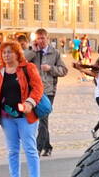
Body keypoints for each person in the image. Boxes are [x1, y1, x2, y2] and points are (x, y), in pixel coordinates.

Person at [0, 38, 44, 177]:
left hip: (26, 117)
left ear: (17, 54)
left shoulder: (28, 68)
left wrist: (30, 103)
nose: (6, 55)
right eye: (3, 52)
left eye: (9, 52)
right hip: (7, 117)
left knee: (30, 148)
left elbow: (38, 88)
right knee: (12, 150)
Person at [25, 28, 68, 157]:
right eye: (38, 38)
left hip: (48, 91)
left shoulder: (54, 53)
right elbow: (22, 61)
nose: (41, 41)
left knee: (43, 118)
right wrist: (32, 49)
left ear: (47, 38)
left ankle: (38, 148)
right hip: (34, 91)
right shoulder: (33, 53)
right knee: (40, 119)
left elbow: (64, 70)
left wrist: (51, 68)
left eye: (43, 38)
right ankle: (48, 146)